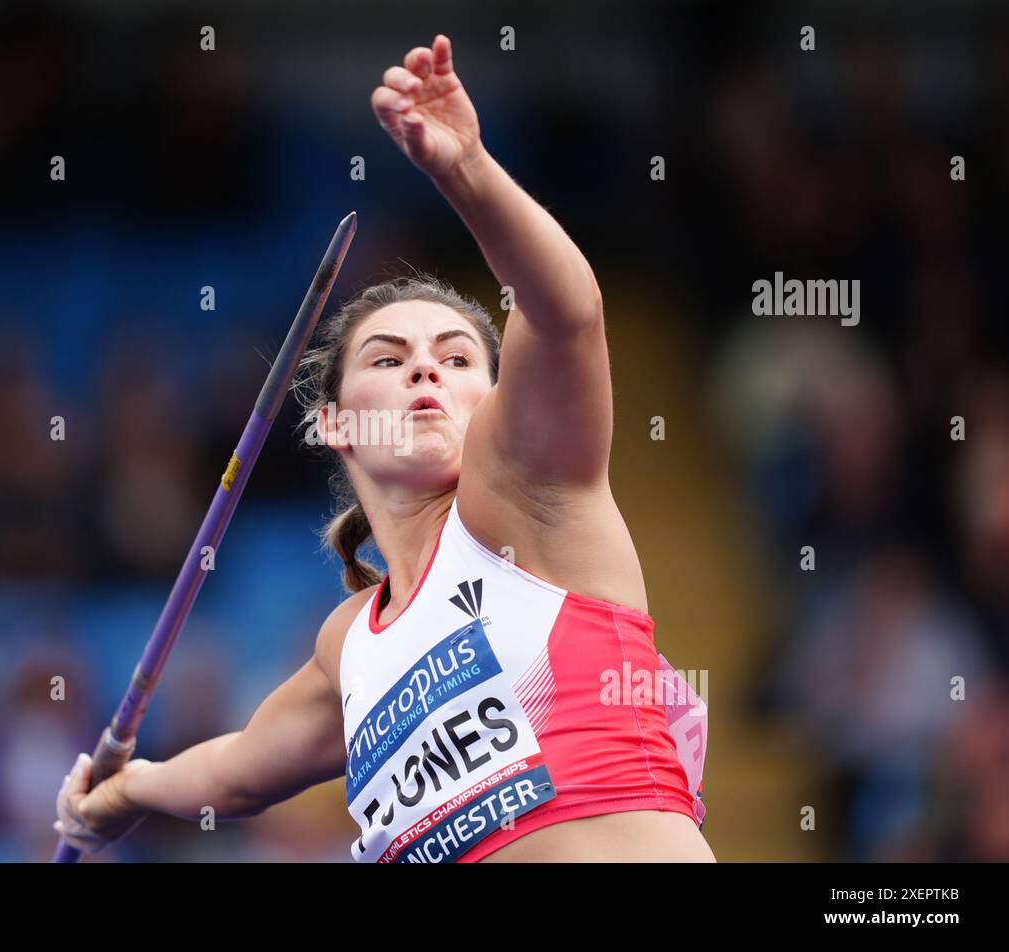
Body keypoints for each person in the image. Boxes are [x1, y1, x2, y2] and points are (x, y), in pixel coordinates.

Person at [56, 34, 714, 863]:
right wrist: (123, 791)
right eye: (389, 360)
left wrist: (466, 170)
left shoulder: (524, 497)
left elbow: (568, 314)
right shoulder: (348, 647)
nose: (425, 371)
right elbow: (237, 774)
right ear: (335, 424)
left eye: (456, 357)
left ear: (494, 400)